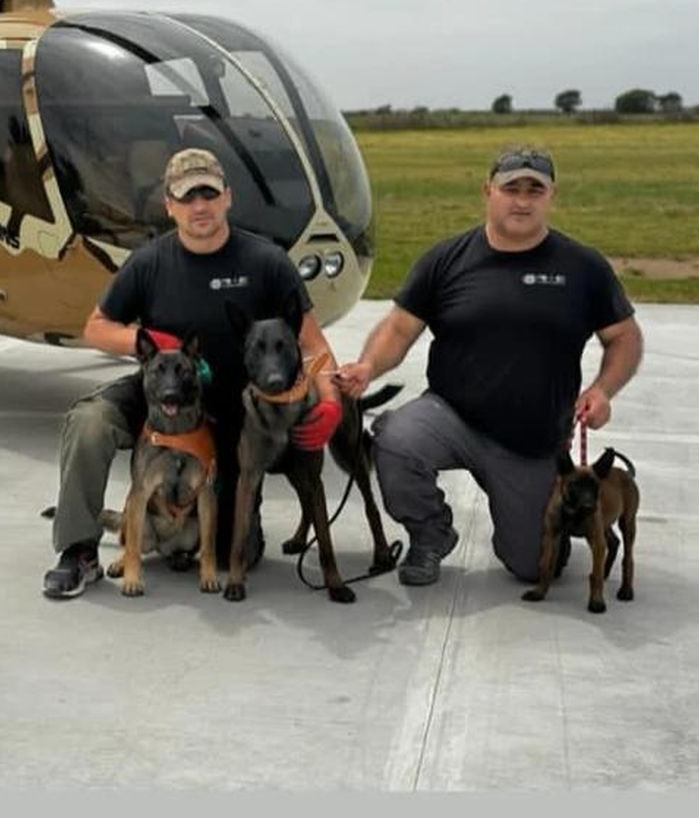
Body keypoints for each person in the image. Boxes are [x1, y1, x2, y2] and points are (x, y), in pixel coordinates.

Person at [333, 145, 643, 587]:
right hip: (451, 415)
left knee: (535, 568)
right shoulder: (447, 259)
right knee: (396, 439)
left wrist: (602, 390)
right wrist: (367, 367)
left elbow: (624, 337)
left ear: (551, 195)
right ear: (488, 192)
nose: (522, 200)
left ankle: (538, 528)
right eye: (510, 188)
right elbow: (400, 328)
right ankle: (430, 534)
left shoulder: (582, 267)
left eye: (534, 190)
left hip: (530, 440)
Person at [43, 147, 344, 599]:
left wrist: (330, 402)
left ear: (227, 196)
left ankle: (164, 523)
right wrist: (151, 342)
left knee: (235, 553)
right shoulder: (148, 262)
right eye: (186, 197)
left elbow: (314, 346)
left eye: (208, 193)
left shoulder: (266, 261)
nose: (198, 205)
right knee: (89, 421)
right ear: (169, 205)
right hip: (161, 391)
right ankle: (77, 549)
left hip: (232, 410)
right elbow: (95, 328)